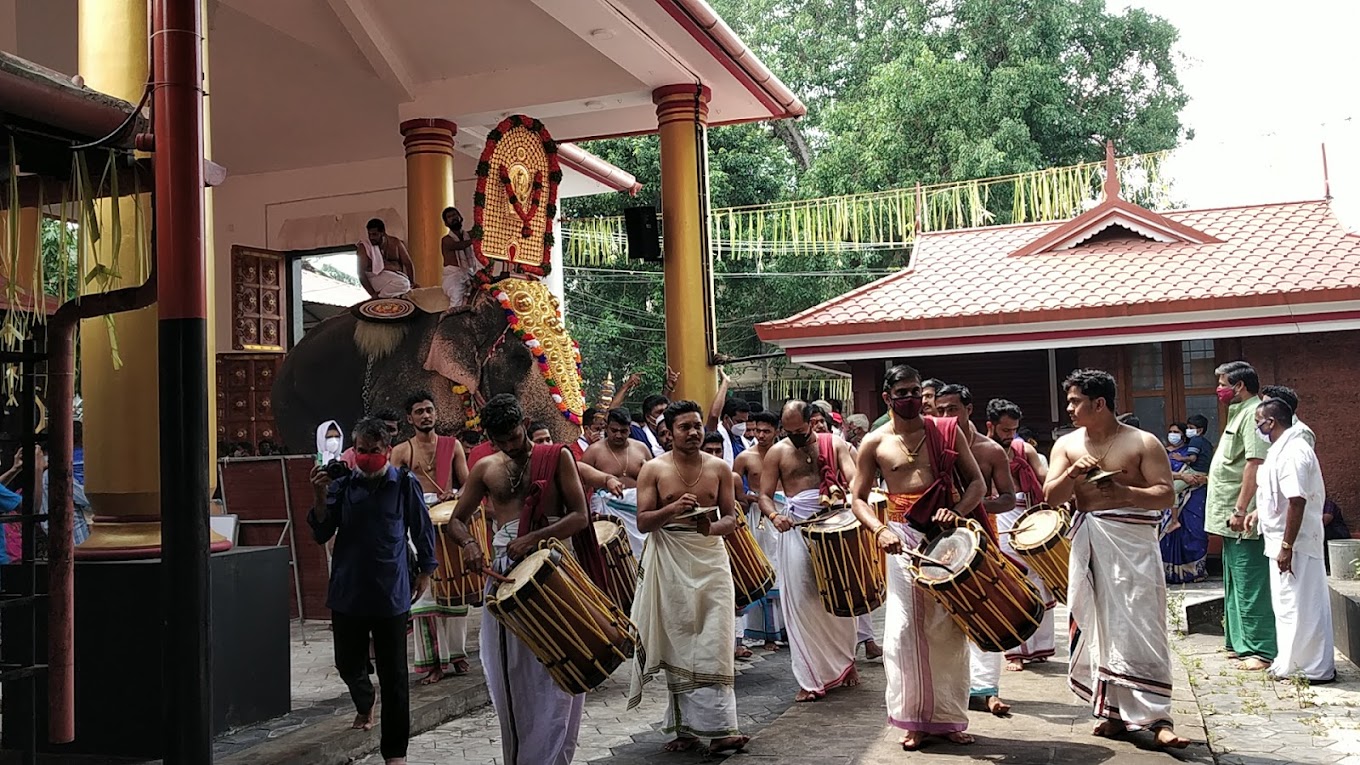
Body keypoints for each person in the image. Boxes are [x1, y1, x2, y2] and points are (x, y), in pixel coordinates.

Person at [445, 394, 602, 765]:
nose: (510, 446)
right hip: (505, 576)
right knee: (510, 674)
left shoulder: (557, 456)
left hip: (554, 568)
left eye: (514, 436)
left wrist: (533, 538)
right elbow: (455, 519)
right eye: (501, 440)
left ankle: (554, 758)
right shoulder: (485, 468)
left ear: (525, 422)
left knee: (562, 667)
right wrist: (468, 543)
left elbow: (580, 516)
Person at [1044, 369, 1188, 749]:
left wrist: (1122, 489)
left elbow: (1164, 495)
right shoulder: (1067, 446)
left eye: (1076, 401)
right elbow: (1050, 498)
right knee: (1096, 623)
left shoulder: (1142, 441)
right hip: (1090, 541)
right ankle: (1111, 713)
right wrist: (1073, 474)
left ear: (1100, 403)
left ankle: (1158, 716)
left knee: (1142, 624)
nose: (1070, 409)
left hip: (1133, 543)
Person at [849, 365, 984, 750]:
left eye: (915, 392)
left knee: (948, 629)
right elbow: (856, 497)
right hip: (901, 537)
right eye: (902, 393)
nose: (910, 399)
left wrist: (957, 510)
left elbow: (976, 482)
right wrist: (880, 530)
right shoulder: (874, 443)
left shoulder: (945, 430)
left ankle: (948, 719)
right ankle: (914, 719)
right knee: (904, 632)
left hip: (946, 536)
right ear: (888, 398)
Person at [307, 417, 436, 765]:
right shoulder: (343, 486)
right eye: (361, 451)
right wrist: (319, 495)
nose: (367, 457)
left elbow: (422, 527)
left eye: (374, 451)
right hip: (349, 589)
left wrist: (426, 570)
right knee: (347, 662)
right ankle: (365, 699)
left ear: (387, 451)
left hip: (390, 590)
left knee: (395, 676)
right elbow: (321, 532)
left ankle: (395, 752)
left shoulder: (404, 483)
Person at [626, 400, 748, 754]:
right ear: (669, 433)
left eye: (697, 426)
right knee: (678, 639)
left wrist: (709, 528)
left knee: (715, 640)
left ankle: (724, 729)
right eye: (685, 427)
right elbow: (643, 522)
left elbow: (732, 519)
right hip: (670, 560)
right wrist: (672, 509)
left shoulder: (720, 467)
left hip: (710, 560)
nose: (694, 432)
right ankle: (685, 730)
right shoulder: (652, 469)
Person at [757, 400, 861, 703]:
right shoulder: (778, 452)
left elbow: (854, 480)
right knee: (802, 602)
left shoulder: (835, 444)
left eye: (801, 431)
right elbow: (764, 495)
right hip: (797, 530)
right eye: (789, 432)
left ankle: (846, 663)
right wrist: (775, 516)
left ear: (812, 421)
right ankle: (810, 677)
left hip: (836, 527)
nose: (796, 438)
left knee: (841, 596)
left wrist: (849, 497)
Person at [936, 386, 1017, 716]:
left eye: (952, 409)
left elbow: (1009, 497)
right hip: (942, 539)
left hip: (981, 534)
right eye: (939, 410)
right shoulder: (933, 446)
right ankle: (952, 688)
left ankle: (987, 689)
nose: (945, 417)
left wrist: (975, 504)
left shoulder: (990, 450)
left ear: (969, 409)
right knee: (945, 615)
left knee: (986, 608)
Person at [1250, 398, 1335, 683]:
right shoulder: (1280, 449)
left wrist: (1287, 546)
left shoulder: (1295, 450)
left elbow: (1296, 500)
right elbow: (1274, 495)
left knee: (1304, 606)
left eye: (1258, 422)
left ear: (1271, 422)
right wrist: (1257, 514)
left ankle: (1311, 668)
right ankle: (1291, 663)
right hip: (1283, 541)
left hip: (1296, 543)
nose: (1257, 427)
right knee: (1288, 606)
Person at [390, 392, 471, 684]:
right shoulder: (401, 452)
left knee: (453, 592)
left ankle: (457, 656)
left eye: (429, 410)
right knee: (424, 598)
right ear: (409, 418)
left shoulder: (454, 446)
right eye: (419, 411)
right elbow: (392, 493)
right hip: (416, 524)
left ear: (436, 414)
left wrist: (456, 494)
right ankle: (433, 663)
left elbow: (468, 485)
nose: (426, 415)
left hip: (447, 523)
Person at [1207, 361, 1276, 671]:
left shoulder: (1254, 413)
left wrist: (1241, 508)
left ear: (1239, 386)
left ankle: (1261, 649)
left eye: (1222, 383)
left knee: (1251, 580)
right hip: (1226, 515)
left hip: (1241, 516)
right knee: (1235, 580)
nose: (1218, 390)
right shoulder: (1239, 412)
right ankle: (1238, 642)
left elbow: (1255, 463)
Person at [984, 398, 1055, 671]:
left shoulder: (1023, 449)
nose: (1010, 435)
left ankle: (1037, 648)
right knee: (1010, 584)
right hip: (998, 519)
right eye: (1005, 430)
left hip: (1030, 518)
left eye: (1014, 430)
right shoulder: (980, 450)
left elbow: (1045, 477)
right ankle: (1013, 651)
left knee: (1039, 582)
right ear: (991, 426)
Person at [734, 410, 785, 650]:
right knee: (764, 567)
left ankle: (786, 631)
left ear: (777, 431)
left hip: (786, 512)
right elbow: (733, 490)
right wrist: (749, 499)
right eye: (757, 431)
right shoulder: (746, 457)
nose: (761, 435)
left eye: (766, 431)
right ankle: (766, 634)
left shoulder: (786, 452)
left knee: (786, 566)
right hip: (759, 518)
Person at [581, 408, 652, 555]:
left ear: (630, 429)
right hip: (608, 515)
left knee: (644, 555)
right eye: (614, 430)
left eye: (623, 431)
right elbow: (582, 485)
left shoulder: (641, 448)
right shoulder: (594, 451)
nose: (618, 435)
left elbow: (654, 480)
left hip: (638, 513)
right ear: (606, 427)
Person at [1161, 421, 1209, 584]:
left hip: (1195, 496)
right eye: (1170, 431)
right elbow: (1159, 472)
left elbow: (1206, 470)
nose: (1173, 435)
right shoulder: (1162, 452)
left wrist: (1202, 479)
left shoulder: (1192, 452)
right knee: (1170, 534)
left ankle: (1196, 571)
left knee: (1195, 531)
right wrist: (1181, 476)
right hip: (1171, 500)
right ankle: (1170, 573)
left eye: (1176, 432)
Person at [357, 218, 415, 299]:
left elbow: (408, 263)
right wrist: (373, 295)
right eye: (369, 234)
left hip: (396, 280)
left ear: (383, 233)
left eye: (374, 234)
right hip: (375, 279)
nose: (371, 238)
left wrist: (412, 283)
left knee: (406, 284)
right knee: (403, 283)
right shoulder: (364, 247)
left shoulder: (395, 243)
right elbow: (361, 273)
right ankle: (381, 296)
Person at [706, 370, 749, 466]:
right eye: (739, 421)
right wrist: (725, 383)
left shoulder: (742, 442)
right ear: (726, 418)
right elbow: (713, 415)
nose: (742, 426)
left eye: (745, 422)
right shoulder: (716, 435)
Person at [439, 207, 476, 310]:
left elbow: (479, 229)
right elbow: (459, 245)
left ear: (461, 218)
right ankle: (452, 322)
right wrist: (475, 238)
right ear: (446, 224)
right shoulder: (446, 240)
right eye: (449, 217)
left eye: (455, 215)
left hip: (469, 273)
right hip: (453, 277)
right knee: (457, 300)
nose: (453, 218)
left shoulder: (467, 235)